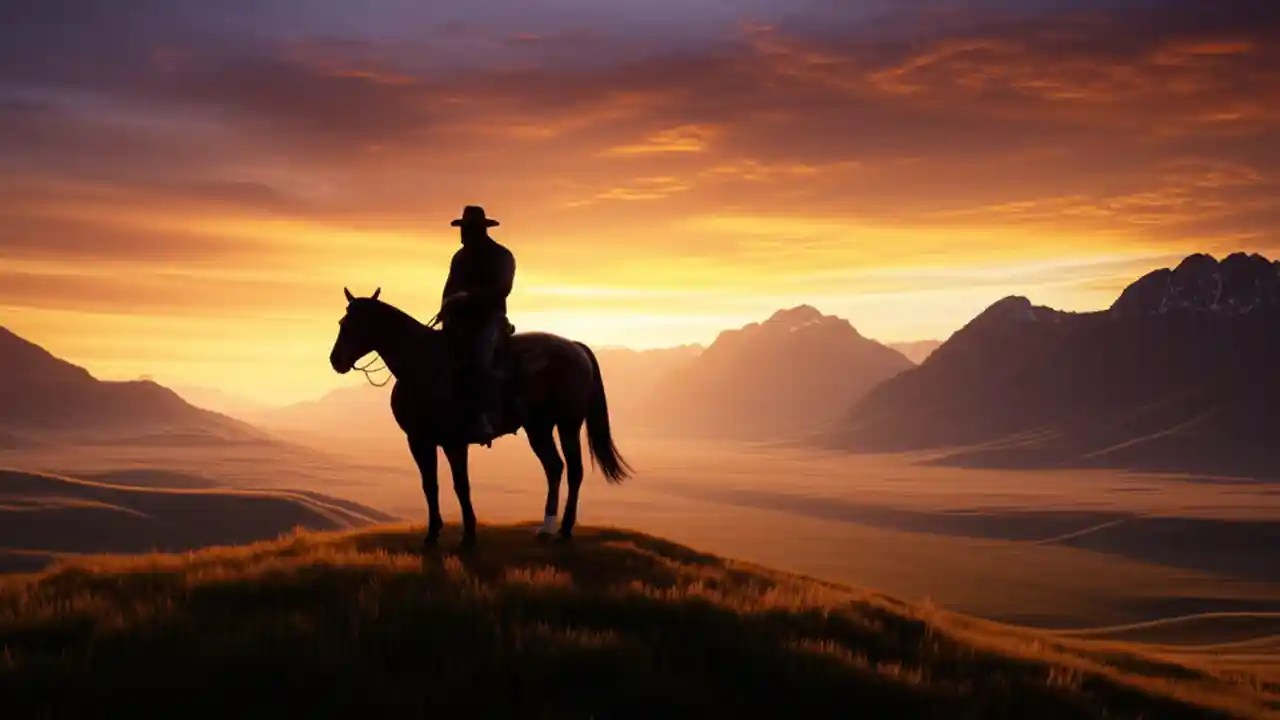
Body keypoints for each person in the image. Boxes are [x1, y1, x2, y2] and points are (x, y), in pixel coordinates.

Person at [440, 205, 515, 444]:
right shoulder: (459, 258)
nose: (462, 235)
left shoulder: (501, 256)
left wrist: (468, 298)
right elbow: (450, 288)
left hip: (490, 318)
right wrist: (446, 308)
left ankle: (485, 417)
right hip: (461, 321)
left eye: (466, 229)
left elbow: (502, 289)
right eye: (463, 229)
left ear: (479, 230)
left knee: (481, 359)